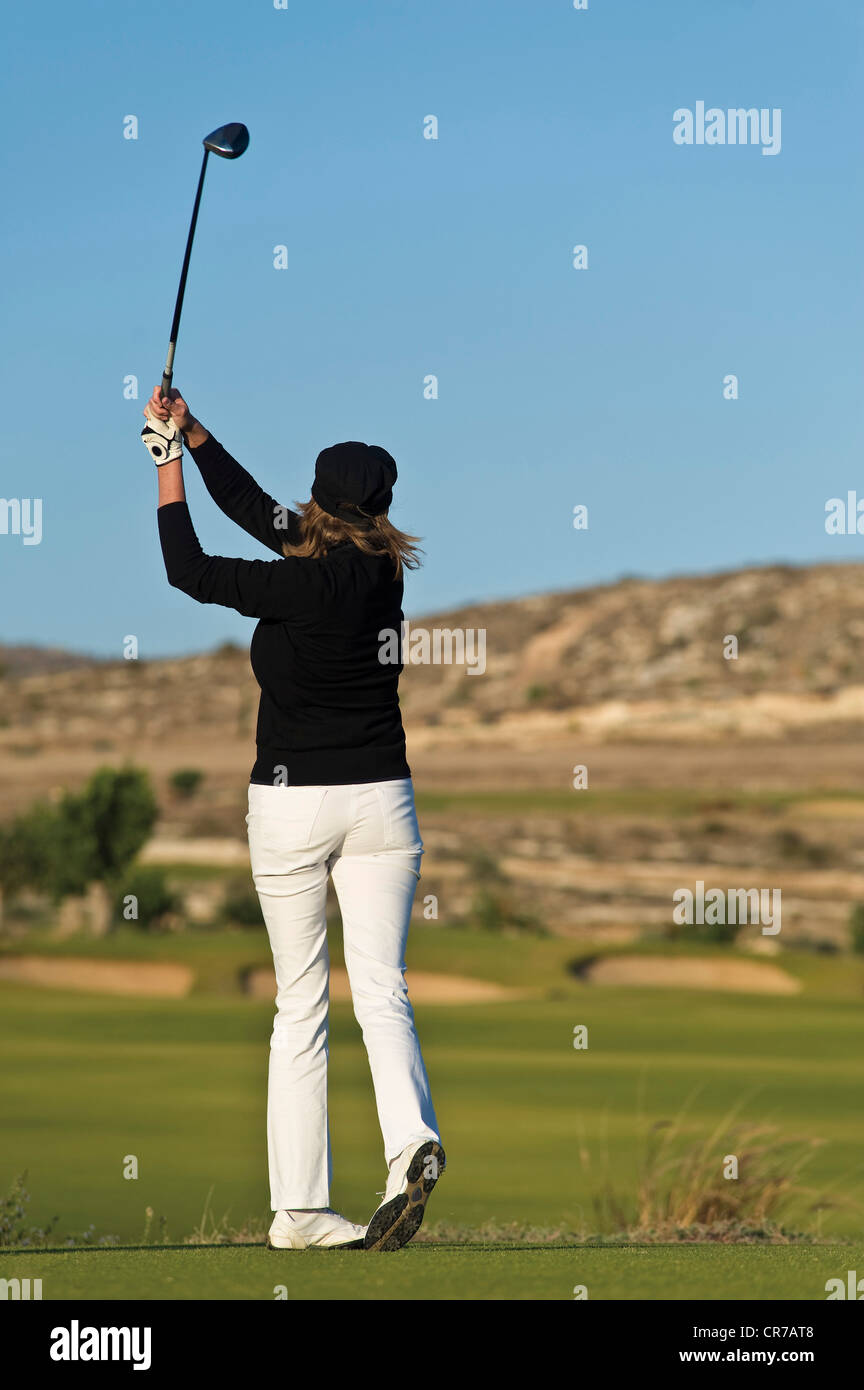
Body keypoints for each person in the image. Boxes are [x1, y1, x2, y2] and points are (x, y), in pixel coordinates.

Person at [141, 386, 445, 1251]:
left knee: (301, 1003)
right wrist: (195, 436)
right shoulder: (382, 570)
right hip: (384, 802)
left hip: (292, 804)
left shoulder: (301, 583)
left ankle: (303, 1212)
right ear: (381, 505)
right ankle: (409, 1144)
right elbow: (254, 509)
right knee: (383, 991)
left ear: (319, 502)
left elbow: (189, 570)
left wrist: (165, 467)